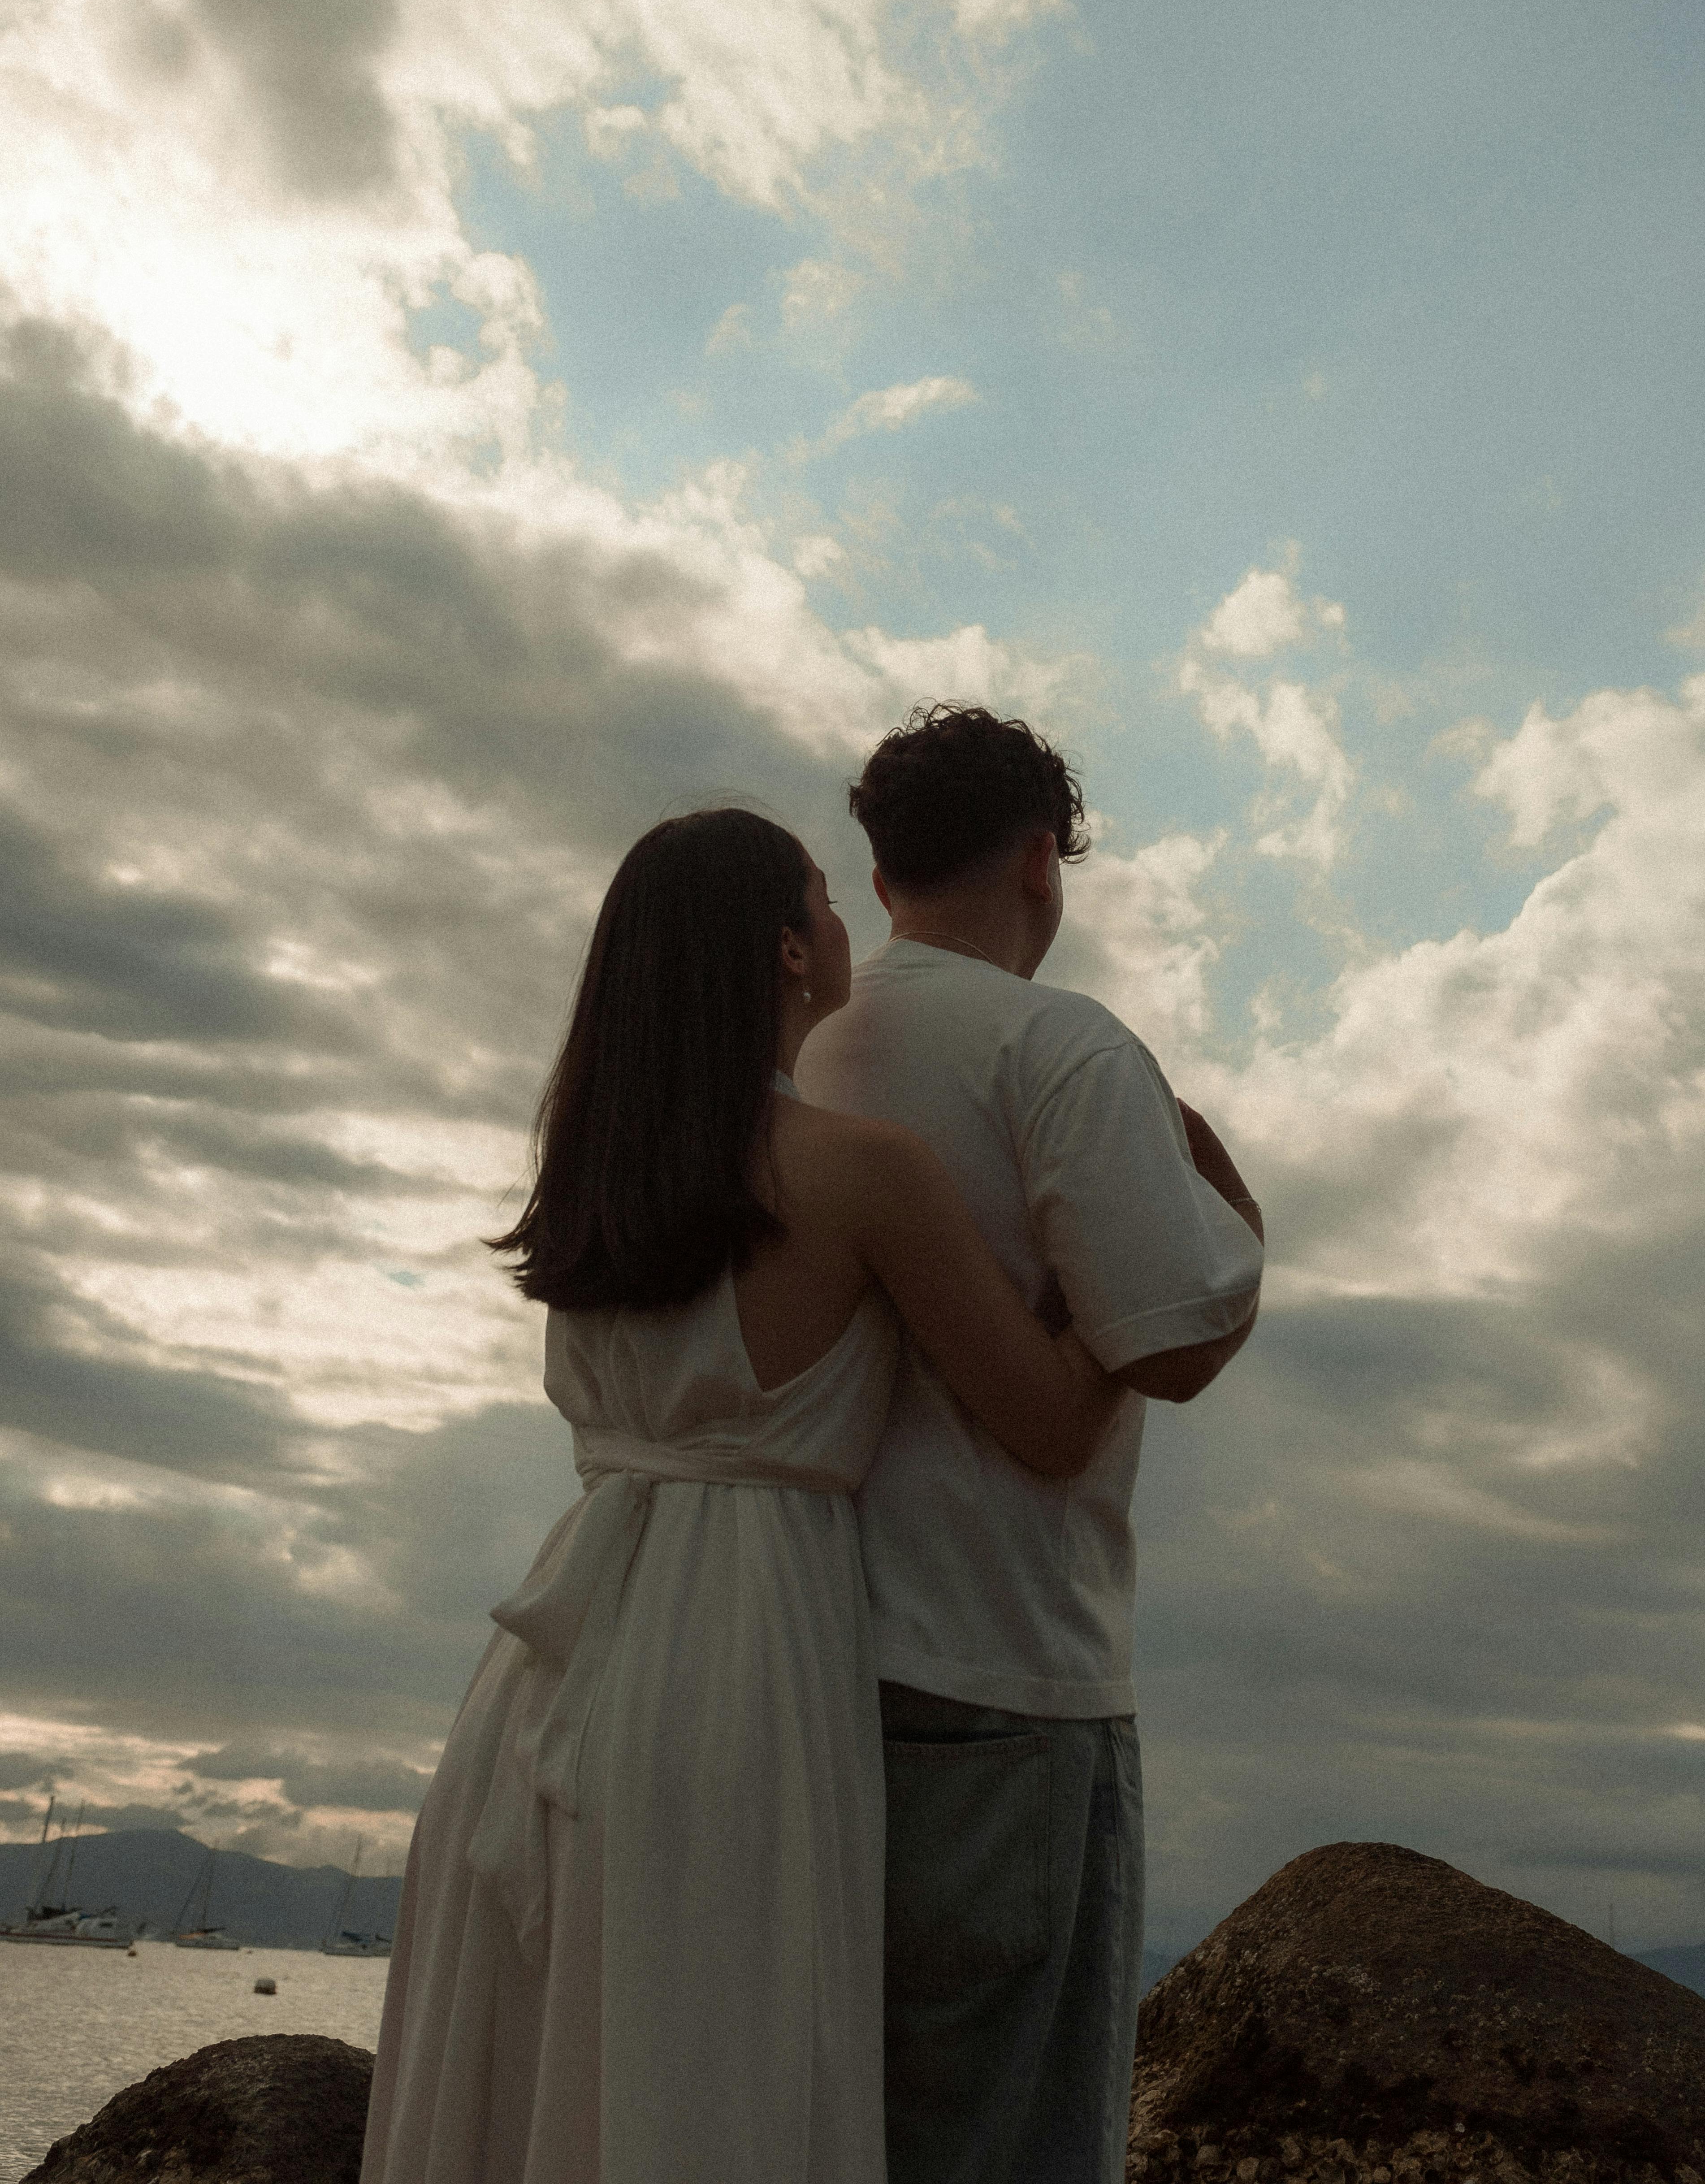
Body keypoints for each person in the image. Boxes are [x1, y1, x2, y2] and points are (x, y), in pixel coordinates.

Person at [359, 805, 1123, 2184]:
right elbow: (1054, 1424)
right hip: (740, 1671)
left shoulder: (595, 1189)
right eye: (825, 900)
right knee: (714, 2081)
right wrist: (1138, 1283)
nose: (844, 926)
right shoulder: (863, 1172)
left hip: (547, 1670)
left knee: (546, 2088)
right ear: (786, 950)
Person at [796, 706, 1264, 2184]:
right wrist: (1241, 1223)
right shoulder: (1061, 1046)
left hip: (794, 1658)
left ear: (881, 878)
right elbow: (1172, 1344)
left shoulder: (797, 1050)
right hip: (1009, 1667)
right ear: (1039, 862)